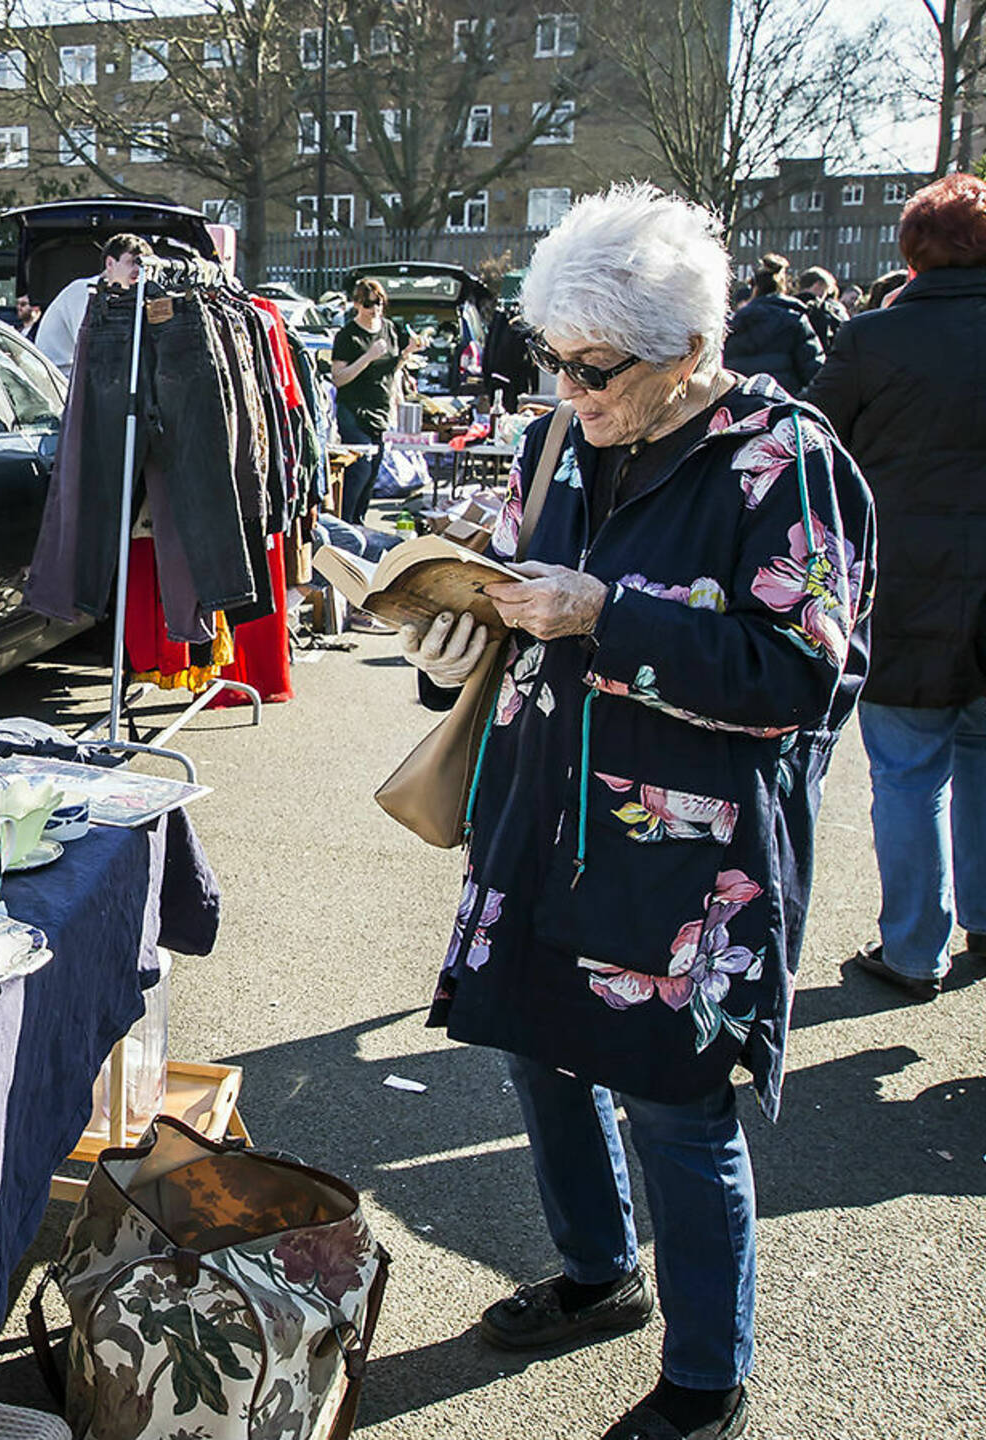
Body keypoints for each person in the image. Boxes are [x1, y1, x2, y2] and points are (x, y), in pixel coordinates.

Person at [398, 183, 873, 1440]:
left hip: (685, 854)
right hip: (542, 814)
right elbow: (510, 594)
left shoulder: (785, 461)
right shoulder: (564, 441)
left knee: (678, 1108)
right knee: (540, 1053)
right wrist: (450, 643)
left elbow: (803, 678)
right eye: (556, 363)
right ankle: (598, 1272)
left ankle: (707, 1376)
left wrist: (609, 618)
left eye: (595, 370)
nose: (571, 394)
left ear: (690, 353)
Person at [803, 174, 986, 1000]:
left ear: (911, 250)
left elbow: (807, 439)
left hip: (906, 588)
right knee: (978, 759)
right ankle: (981, 917)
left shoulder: (872, 340)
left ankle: (916, 947)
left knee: (910, 772)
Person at [330, 276, 425, 523]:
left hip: (380, 409)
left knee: (373, 472)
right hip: (353, 410)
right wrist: (368, 357)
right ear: (357, 305)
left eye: (379, 303)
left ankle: (358, 522)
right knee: (360, 468)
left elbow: (392, 370)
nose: (375, 309)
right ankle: (345, 522)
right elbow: (338, 377)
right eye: (369, 304)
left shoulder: (389, 329)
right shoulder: (348, 336)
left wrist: (406, 354)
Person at [32, 233, 152, 378]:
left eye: (144, 266)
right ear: (110, 263)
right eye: (132, 262)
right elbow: (90, 348)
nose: (138, 270)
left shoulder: (120, 297)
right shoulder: (86, 291)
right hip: (58, 378)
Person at [721, 252, 825, 392]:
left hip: (740, 401)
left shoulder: (735, 322)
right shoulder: (795, 320)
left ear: (754, 287)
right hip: (782, 401)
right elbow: (814, 372)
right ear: (783, 285)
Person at [795, 265, 847, 353]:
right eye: (825, 290)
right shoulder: (821, 309)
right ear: (818, 285)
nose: (825, 296)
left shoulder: (788, 305)